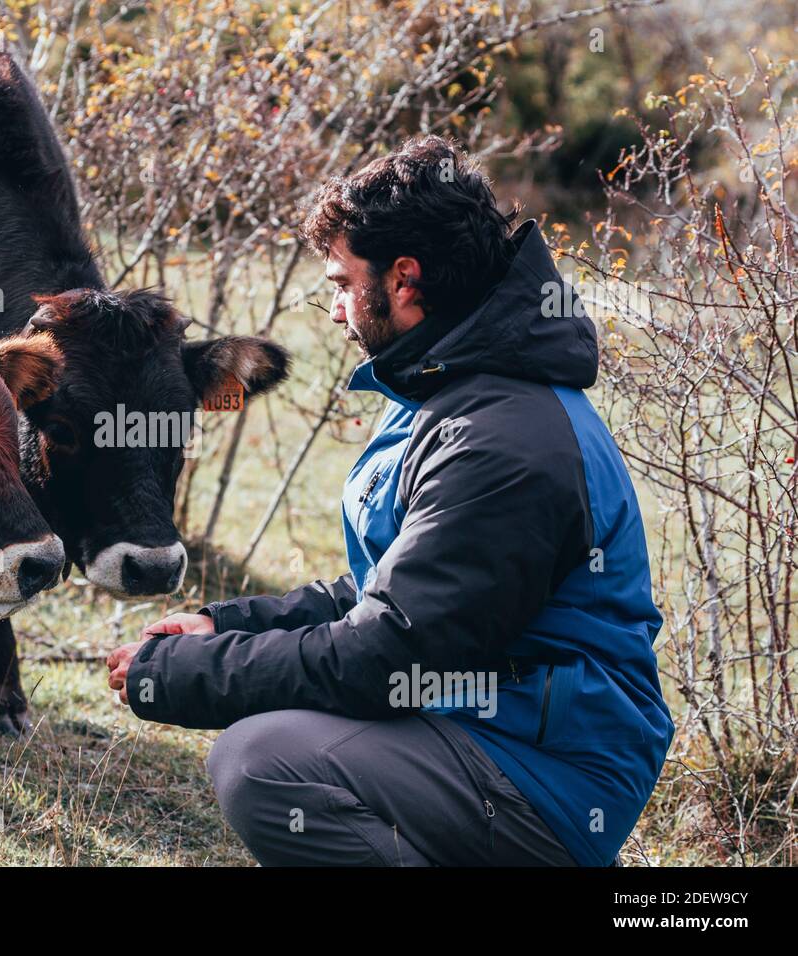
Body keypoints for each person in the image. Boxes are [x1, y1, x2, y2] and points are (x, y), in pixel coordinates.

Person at [107, 135, 674, 867]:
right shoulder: (447, 380)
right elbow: (395, 585)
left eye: (342, 282)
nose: (337, 311)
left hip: (548, 767)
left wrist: (188, 677)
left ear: (405, 280)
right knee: (274, 741)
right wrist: (223, 623)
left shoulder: (504, 435)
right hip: (488, 720)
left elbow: (391, 652)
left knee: (264, 763)